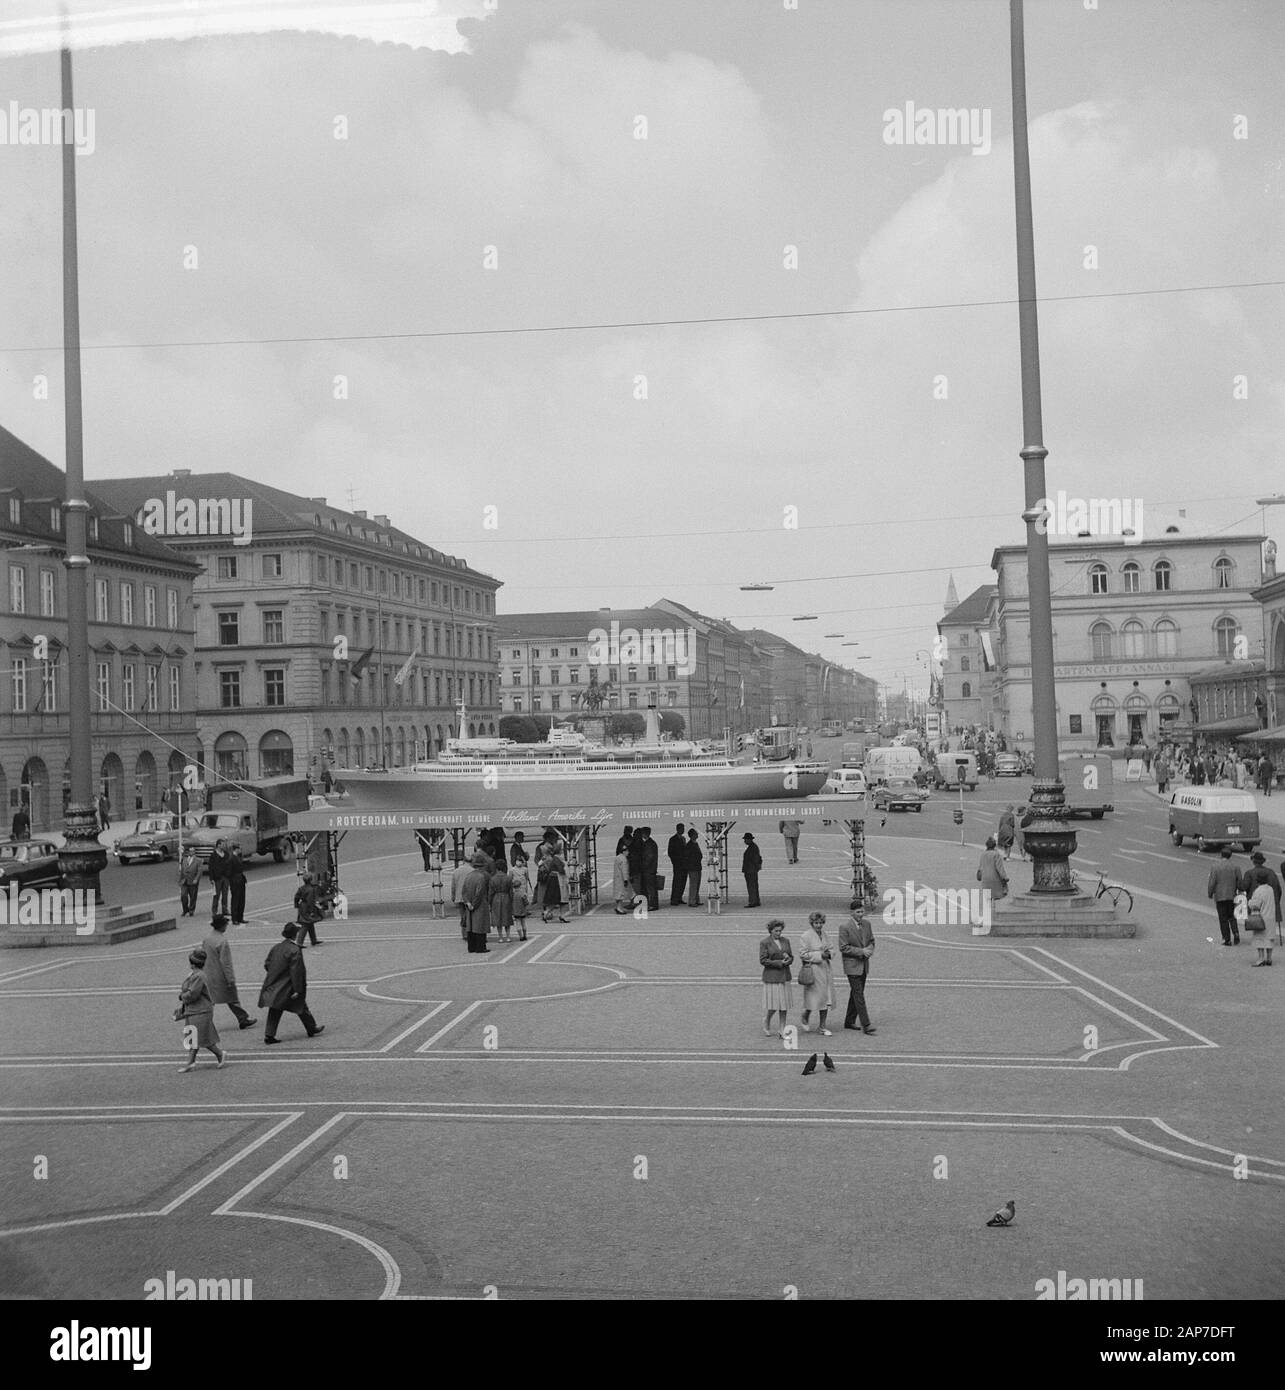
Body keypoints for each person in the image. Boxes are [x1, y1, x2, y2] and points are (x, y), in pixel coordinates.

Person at [259, 924, 324, 1043]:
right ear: (295, 934)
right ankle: (311, 1027)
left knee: (275, 1009)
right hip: (287, 985)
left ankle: (269, 1034)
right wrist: (297, 989)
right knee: (301, 1006)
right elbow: (296, 971)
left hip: (275, 984)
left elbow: (267, 964)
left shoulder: (276, 947)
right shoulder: (294, 950)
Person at [202, 914, 257, 1029]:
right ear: (222, 926)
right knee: (232, 997)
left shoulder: (207, 939)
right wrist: (230, 978)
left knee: (210, 1000)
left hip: (208, 973)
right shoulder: (222, 941)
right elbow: (226, 963)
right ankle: (242, 1018)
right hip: (220, 975)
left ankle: (205, 1022)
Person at [175, 947, 226, 1072]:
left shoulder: (198, 976)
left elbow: (193, 994)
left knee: (202, 1038)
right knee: (194, 1038)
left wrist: (182, 996)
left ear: (192, 964)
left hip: (200, 1010)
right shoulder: (197, 974)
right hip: (195, 1010)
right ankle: (191, 1062)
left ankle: (220, 1054)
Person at [838, 912, 877, 1034]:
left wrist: (870, 949)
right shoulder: (844, 927)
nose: (861, 914)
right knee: (859, 994)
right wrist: (861, 951)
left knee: (855, 993)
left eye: (862, 911)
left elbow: (871, 940)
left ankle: (849, 1021)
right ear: (852, 913)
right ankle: (866, 1024)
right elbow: (843, 947)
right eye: (858, 912)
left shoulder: (867, 924)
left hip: (864, 964)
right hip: (852, 965)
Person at [797, 910, 834, 1036]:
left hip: (825, 969)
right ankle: (805, 1015)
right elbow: (803, 954)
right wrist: (819, 955)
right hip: (813, 970)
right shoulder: (805, 936)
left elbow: (832, 948)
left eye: (820, 923)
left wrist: (829, 954)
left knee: (825, 998)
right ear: (811, 923)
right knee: (813, 999)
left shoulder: (825, 934)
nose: (818, 925)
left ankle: (822, 1026)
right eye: (816, 923)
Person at [758, 918, 793, 1037]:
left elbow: (791, 957)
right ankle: (767, 1020)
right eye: (776, 931)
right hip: (772, 977)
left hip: (784, 976)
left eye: (780, 931)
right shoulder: (764, 942)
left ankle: (782, 1028)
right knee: (774, 1005)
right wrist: (779, 963)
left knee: (784, 1005)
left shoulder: (786, 941)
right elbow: (763, 960)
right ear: (771, 930)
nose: (779, 933)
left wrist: (788, 959)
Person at [1241, 852, 1283, 947]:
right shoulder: (1271, 872)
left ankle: (1261, 945)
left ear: (1253, 861)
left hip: (1256, 903)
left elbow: (1244, 887)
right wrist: (1276, 902)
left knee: (1258, 924)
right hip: (1271, 903)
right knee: (1269, 922)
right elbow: (1279, 889)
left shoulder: (1249, 873)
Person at [1207, 847, 1240, 946]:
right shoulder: (1236, 866)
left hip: (1220, 895)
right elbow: (1239, 881)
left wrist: (1210, 893)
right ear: (1230, 856)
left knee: (1223, 918)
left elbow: (1212, 882)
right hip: (1232, 895)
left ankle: (1227, 939)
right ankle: (1236, 932)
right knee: (1232, 916)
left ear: (1221, 855)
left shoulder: (1215, 866)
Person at [461, 853, 493, 952]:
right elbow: (479, 893)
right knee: (480, 926)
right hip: (480, 905)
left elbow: (464, 891)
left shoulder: (468, 876)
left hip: (469, 904)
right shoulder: (482, 877)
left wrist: (468, 902)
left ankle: (471, 947)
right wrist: (474, 904)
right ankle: (480, 947)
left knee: (470, 926)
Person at [1246, 879, 1276, 966]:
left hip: (1261, 917)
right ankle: (1269, 958)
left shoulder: (1258, 891)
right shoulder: (1270, 889)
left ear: (1258, 881)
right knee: (1269, 938)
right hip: (1270, 917)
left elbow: (1255, 904)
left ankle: (1261, 958)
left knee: (1259, 938)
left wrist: (1249, 902)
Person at [293, 873, 325, 947]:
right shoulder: (311, 889)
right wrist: (311, 911)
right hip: (308, 907)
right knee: (306, 924)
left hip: (302, 906)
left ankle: (313, 940)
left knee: (310, 923)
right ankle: (299, 942)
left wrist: (296, 905)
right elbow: (310, 901)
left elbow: (296, 897)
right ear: (311, 880)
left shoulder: (301, 888)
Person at [488, 859, 515, 943]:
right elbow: (511, 892)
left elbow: (490, 892)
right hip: (506, 897)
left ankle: (500, 937)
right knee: (507, 917)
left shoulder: (493, 879)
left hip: (496, 898)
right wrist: (511, 901)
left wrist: (489, 902)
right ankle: (508, 936)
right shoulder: (508, 878)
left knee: (498, 917)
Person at [977, 836, 1009, 902]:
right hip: (995, 879)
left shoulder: (983, 854)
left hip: (985, 879)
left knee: (988, 897)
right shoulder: (996, 854)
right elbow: (1000, 868)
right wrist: (1005, 878)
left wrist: (979, 876)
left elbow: (980, 868)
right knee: (996, 895)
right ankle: (993, 910)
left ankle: (989, 909)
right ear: (994, 845)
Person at [207, 838, 233, 916]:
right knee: (216, 895)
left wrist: (229, 874)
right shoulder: (213, 855)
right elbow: (210, 867)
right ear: (218, 845)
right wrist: (211, 878)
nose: (224, 846)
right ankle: (214, 911)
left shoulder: (226, 854)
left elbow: (229, 864)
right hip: (217, 878)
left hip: (225, 877)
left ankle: (225, 910)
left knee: (225, 895)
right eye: (222, 844)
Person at [450, 854, 473, 940]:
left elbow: (453, 886)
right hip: (469, 897)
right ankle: (469, 932)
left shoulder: (456, 871)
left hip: (459, 896)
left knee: (462, 915)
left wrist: (453, 896)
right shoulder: (473, 871)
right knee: (469, 916)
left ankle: (464, 933)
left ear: (463, 861)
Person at [667, 823, 689, 906]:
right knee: (677, 882)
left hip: (684, 864)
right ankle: (674, 899)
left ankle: (679, 897)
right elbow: (670, 852)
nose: (683, 830)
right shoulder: (673, 839)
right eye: (682, 828)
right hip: (677, 864)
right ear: (678, 829)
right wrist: (675, 862)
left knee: (683, 881)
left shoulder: (683, 838)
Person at [638, 827, 659, 911]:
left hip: (649, 870)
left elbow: (649, 858)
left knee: (651, 888)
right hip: (649, 869)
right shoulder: (650, 843)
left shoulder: (649, 844)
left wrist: (642, 866)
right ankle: (649, 903)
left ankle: (653, 904)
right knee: (649, 887)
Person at [177, 845, 202, 917]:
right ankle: (185, 910)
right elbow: (182, 870)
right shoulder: (184, 859)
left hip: (192, 880)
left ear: (194, 852)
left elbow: (199, 871)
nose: (190, 852)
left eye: (191, 851)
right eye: (189, 851)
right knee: (183, 895)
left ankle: (191, 910)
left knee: (193, 896)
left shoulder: (198, 860)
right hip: (185, 880)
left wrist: (196, 879)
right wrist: (180, 879)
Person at [227, 845, 248, 925]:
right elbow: (229, 872)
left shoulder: (239, 857)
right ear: (236, 849)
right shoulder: (231, 858)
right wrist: (232, 881)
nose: (241, 850)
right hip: (235, 881)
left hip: (241, 880)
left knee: (241, 900)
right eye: (240, 848)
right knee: (235, 900)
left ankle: (240, 917)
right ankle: (234, 918)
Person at [510, 864, 530, 940]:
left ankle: (520, 936)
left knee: (518, 923)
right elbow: (526, 902)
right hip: (523, 910)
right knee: (523, 923)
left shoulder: (513, 894)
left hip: (516, 910)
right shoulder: (522, 894)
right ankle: (525, 935)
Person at [613, 846, 636, 914]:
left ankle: (619, 907)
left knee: (619, 894)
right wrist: (626, 880)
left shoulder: (617, 857)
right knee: (622, 894)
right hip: (622, 879)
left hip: (618, 878)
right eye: (627, 851)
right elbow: (624, 870)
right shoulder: (624, 859)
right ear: (624, 851)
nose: (628, 852)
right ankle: (619, 908)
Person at [742, 832, 762, 908]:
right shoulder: (753, 847)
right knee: (754, 886)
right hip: (752, 869)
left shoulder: (752, 848)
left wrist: (755, 866)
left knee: (751, 886)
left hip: (750, 870)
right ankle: (756, 900)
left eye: (745, 839)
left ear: (749, 840)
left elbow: (755, 859)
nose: (744, 841)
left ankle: (752, 901)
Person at [684, 828, 703, 907]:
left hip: (697, 866)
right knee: (693, 884)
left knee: (697, 884)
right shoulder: (689, 845)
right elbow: (688, 857)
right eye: (696, 833)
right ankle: (692, 901)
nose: (697, 835)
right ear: (692, 835)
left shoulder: (695, 843)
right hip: (693, 867)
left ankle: (696, 899)